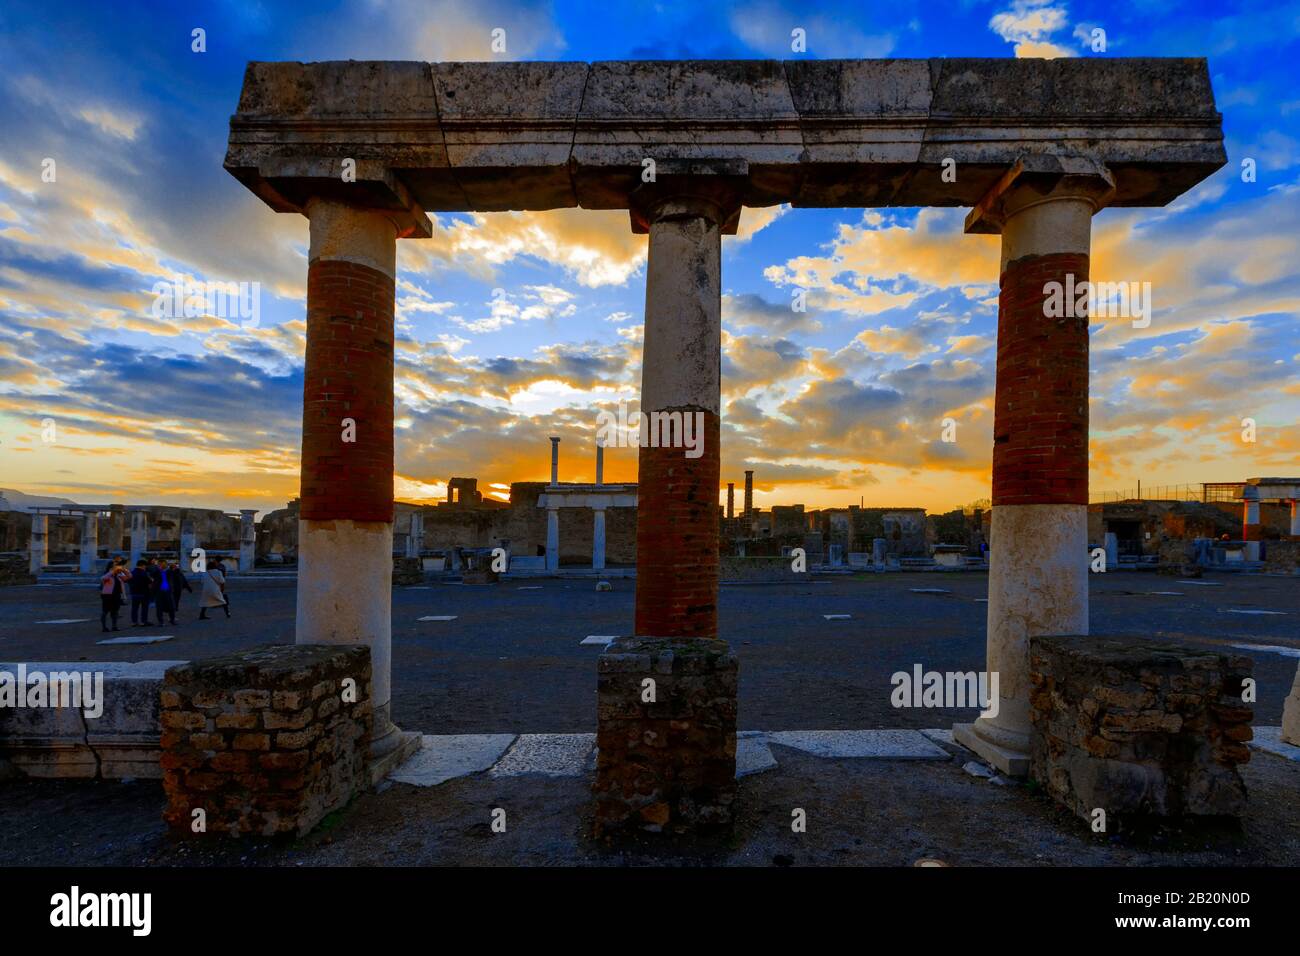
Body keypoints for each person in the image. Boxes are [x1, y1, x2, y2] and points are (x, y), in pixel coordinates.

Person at [99, 558, 129, 632]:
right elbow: (103, 578)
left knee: (115, 611)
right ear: (110, 567)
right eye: (114, 566)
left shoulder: (119, 575)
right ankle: (104, 627)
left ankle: (114, 626)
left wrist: (124, 570)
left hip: (116, 595)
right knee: (105, 611)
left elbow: (128, 577)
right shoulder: (107, 574)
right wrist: (112, 571)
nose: (116, 567)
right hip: (107, 595)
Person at [150, 557, 176, 625]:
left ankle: (172, 620)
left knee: (171, 607)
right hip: (159, 592)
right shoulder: (156, 572)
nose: (161, 565)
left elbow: (175, 578)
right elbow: (151, 575)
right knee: (159, 607)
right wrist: (159, 570)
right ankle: (160, 621)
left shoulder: (170, 571)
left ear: (166, 564)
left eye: (163, 564)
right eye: (160, 564)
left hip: (168, 591)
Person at [128, 560, 152, 626]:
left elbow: (128, 581)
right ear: (143, 565)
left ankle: (134, 622)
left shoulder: (132, 572)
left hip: (134, 592)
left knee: (134, 608)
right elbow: (149, 581)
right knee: (144, 608)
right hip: (144, 593)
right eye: (145, 566)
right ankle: (143, 621)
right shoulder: (144, 573)